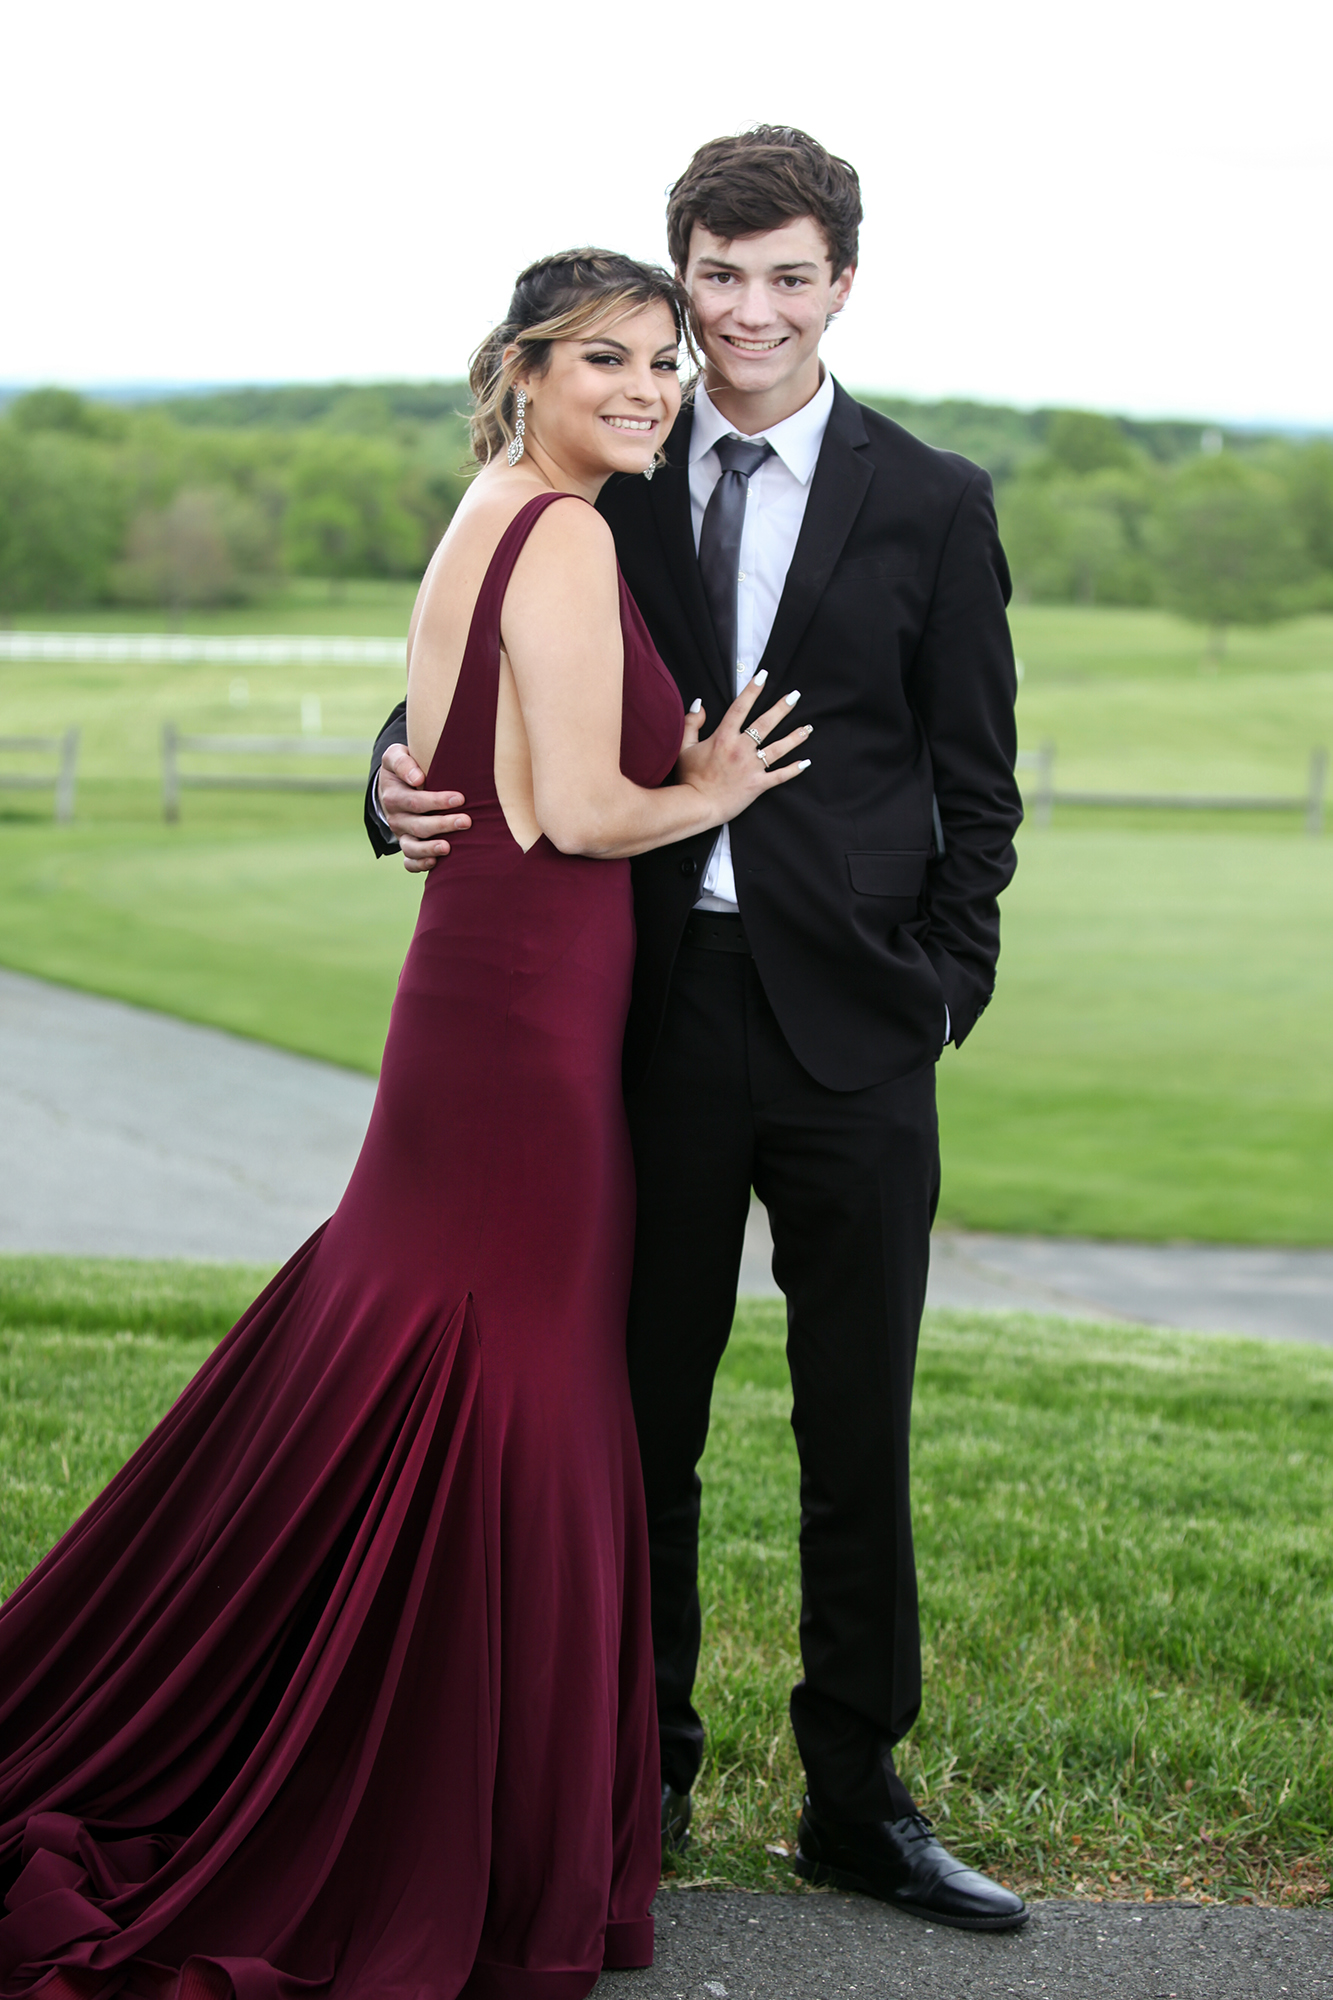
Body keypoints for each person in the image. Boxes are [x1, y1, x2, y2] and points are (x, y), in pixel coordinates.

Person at [0, 250, 811, 2000]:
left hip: (481, 988)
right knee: (527, 1384)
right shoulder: (567, 531)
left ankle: (422, 1764)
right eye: (607, 360)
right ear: (521, 368)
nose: (648, 391)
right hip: (529, 1015)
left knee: (436, 1353)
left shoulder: (489, 508)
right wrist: (711, 787)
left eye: (663, 364)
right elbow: (579, 811)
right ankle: (472, 1832)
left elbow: (471, 762)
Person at [368, 129, 1027, 1934]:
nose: (744, 316)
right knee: (636, 1418)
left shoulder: (932, 499)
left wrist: (940, 985)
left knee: (854, 1422)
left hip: (856, 1032)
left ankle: (856, 1797)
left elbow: (976, 778)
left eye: (786, 278)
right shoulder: (618, 469)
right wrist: (389, 770)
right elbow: (483, 659)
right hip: (641, 1015)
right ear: (679, 279)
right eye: (715, 279)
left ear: (840, 287)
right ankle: (635, 1775)